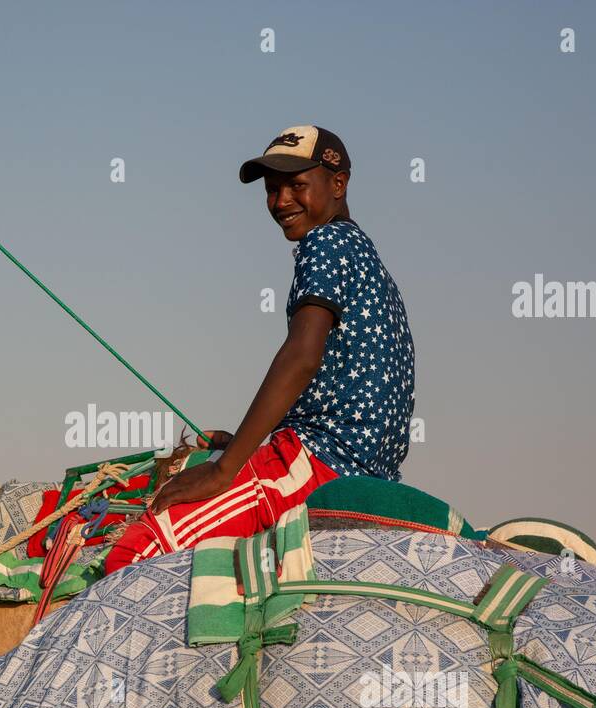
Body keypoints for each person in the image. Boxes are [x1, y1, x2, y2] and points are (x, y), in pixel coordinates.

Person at [104, 125, 415, 575]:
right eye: (272, 190)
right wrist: (249, 442)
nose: (281, 201)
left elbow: (302, 354)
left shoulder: (326, 243)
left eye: (296, 185)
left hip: (322, 461)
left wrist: (224, 468)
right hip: (367, 466)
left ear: (338, 184)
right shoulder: (365, 253)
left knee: (134, 554)